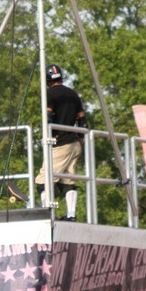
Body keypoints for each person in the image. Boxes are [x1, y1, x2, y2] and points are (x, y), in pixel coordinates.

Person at [34, 64, 87, 222]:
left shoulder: (49, 94)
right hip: (74, 145)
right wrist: (79, 143)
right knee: (67, 181)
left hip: (59, 144)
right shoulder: (73, 94)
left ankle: (46, 213)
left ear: (47, 79)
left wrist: (52, 138)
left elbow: (49, 119)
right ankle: (71, 214)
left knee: (43, 181)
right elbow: (83, 122)